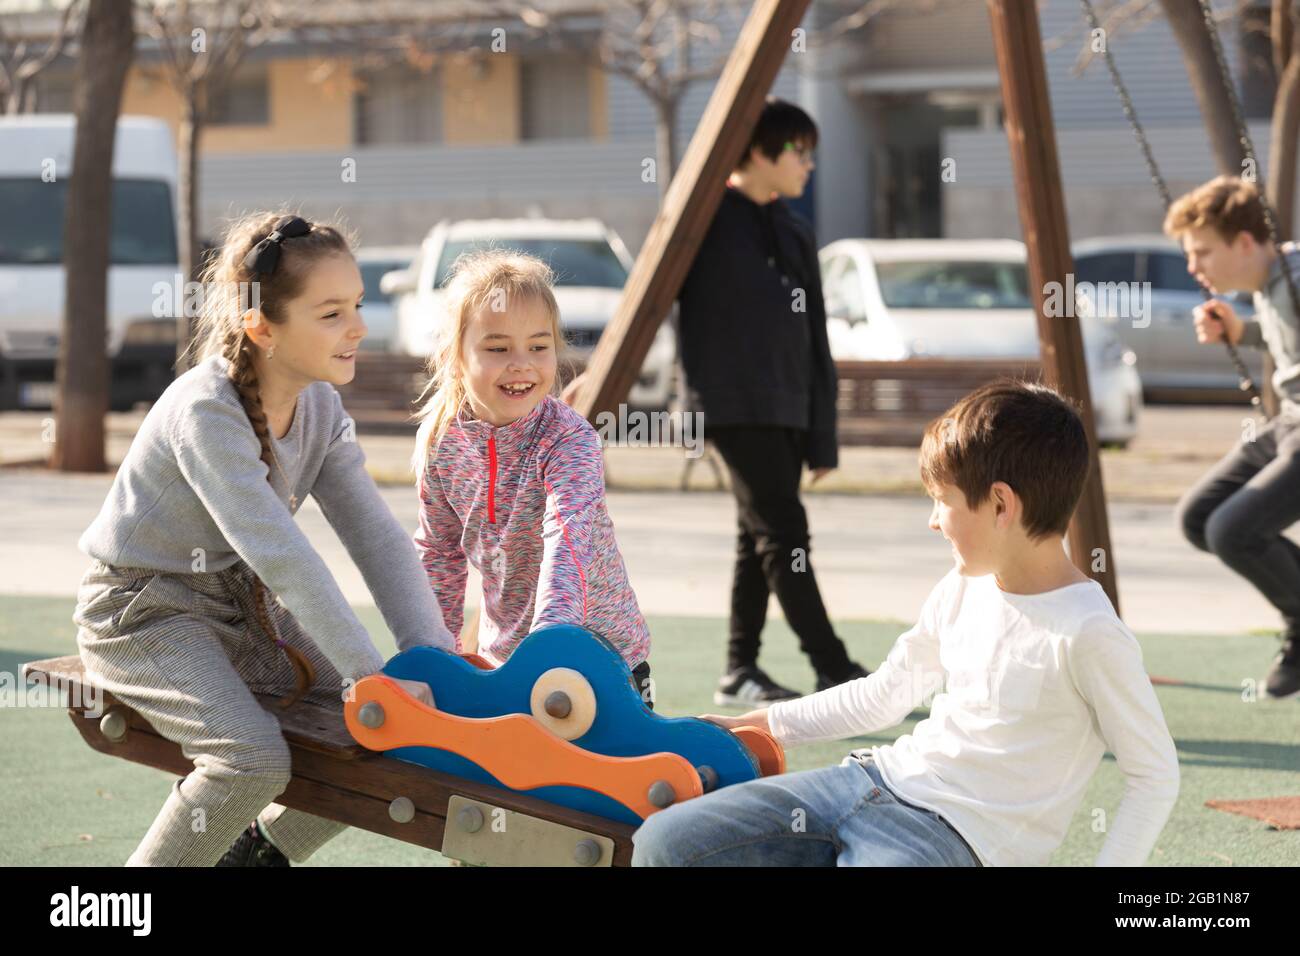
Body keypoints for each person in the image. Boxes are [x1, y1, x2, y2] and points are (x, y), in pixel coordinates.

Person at [631, 381, 1180, 866]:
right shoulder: (963, 585)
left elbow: (1154, 776)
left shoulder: (1087, 631)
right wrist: (753, 725)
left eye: (942, 502)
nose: (933, 520)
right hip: (866, 782)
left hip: (952, 840)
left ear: (1000, 505)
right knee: (664, 841)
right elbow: (884, 695)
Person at [73, 212, 454, 866]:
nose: (359, 327)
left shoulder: (321, 406)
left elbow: (378, 539)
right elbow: (282, 556)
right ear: (262, 326)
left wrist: (432, 655)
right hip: (143, 611)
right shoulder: (207, 411)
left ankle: (255, 856)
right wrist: (371, 672)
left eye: (357, 305)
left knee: (380, 735)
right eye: (331, 313)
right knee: (250, 760)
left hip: (244, 610)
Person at [679, 96, 868, 706]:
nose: (808, 164)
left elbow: (815, 339)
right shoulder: (703, 219)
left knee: (756, 537)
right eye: (798, 151)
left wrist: (823, 434)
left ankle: (740, 668)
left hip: (789, 408)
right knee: (785, 537)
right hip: (733, 407)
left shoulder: (793, 228)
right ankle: (833, 667)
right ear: (759, 151)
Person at [410, 248, 653, 703]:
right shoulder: (443, 442)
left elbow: (569, 536)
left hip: (601, 658)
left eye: (538, 347)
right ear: (454, 356)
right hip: (506, 663)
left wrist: (547, 646)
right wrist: (434, 653)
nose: (521, 363)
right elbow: (439, 553)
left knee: (605, 772)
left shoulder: (568, 439)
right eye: (498, 348)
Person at [1166, 174, 1300, 700]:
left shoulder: (1294, 274)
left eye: (1202, 252)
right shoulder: (1269, 286)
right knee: (1198, 519)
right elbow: (1284, 329)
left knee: (1232, 531)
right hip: (1289, 422)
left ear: (1244, 243)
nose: (1194, 267)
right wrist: (1240, 332)